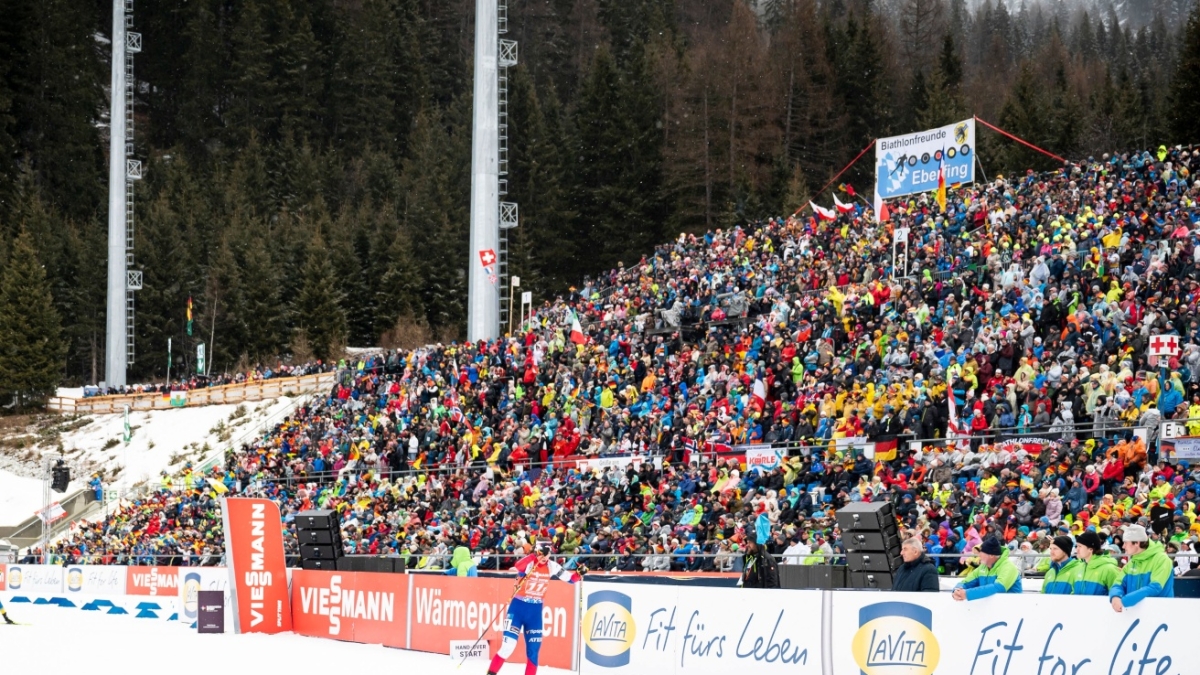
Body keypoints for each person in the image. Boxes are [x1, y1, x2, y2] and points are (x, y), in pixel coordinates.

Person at [487, 545, 585, 675]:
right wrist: (534, 556)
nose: (544, 557)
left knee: (533, 653)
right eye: (541, 554)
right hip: (517, 610)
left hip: (534, 614)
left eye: (547, 554)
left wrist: (579, 573)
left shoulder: (552, 566)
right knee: (507, 647)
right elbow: (518, 566)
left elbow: (571, 580)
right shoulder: (530, 563)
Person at [1110, 524, 1174, 612]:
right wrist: (1115, 596)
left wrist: (1125, 601)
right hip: (1135, 613)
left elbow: (1155, 587)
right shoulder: (1132, 562)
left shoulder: (1162, 559)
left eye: (1126, 542)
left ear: (1137, 543)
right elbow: (1118, 584)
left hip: (1160, 612)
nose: (1123, 546)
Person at [952, 536, 1022, 601]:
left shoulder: (1008, 567)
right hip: (992, 608)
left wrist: (968, 594)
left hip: (1011, 608)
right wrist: (957, 590)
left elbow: (998, 588)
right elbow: (965, 582)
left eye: (981, 552)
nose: (979, 555)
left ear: (991, 555)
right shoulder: (982, 567)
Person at [1073, 530, 1123, 596]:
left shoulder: (1109, 569)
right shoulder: (1079, 567)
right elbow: (1074, 592)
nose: (1077, 549)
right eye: (1076, 546)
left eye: (1080, 546)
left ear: (1090, 549)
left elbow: (1119, 595)